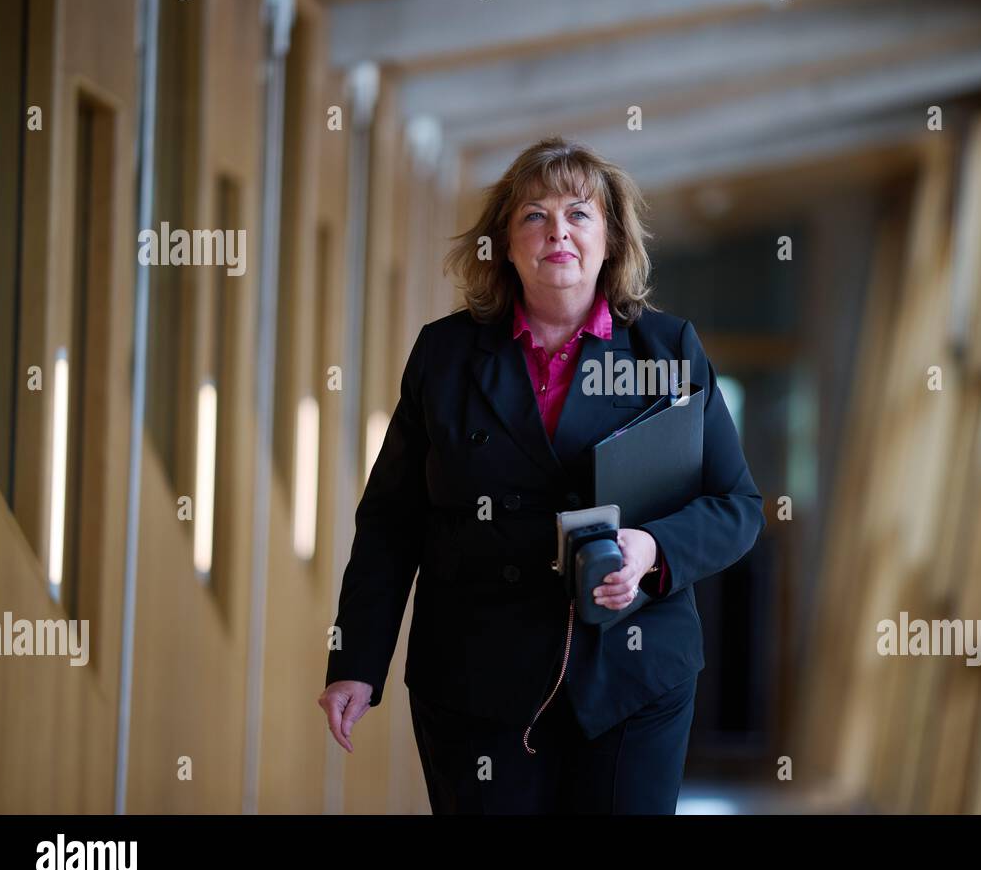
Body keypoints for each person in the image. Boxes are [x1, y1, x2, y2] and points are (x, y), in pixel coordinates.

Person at [318, 135, 765, 814]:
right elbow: (390, 520)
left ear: (611, 239)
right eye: (535, 215)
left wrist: (655, 550)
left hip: (633, 676)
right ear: (504, 241)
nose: (558, 232)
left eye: (579, 215)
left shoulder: (669, 350)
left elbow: (737, 506)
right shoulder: (445, 356)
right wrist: (356, 660)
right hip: (474, 679)